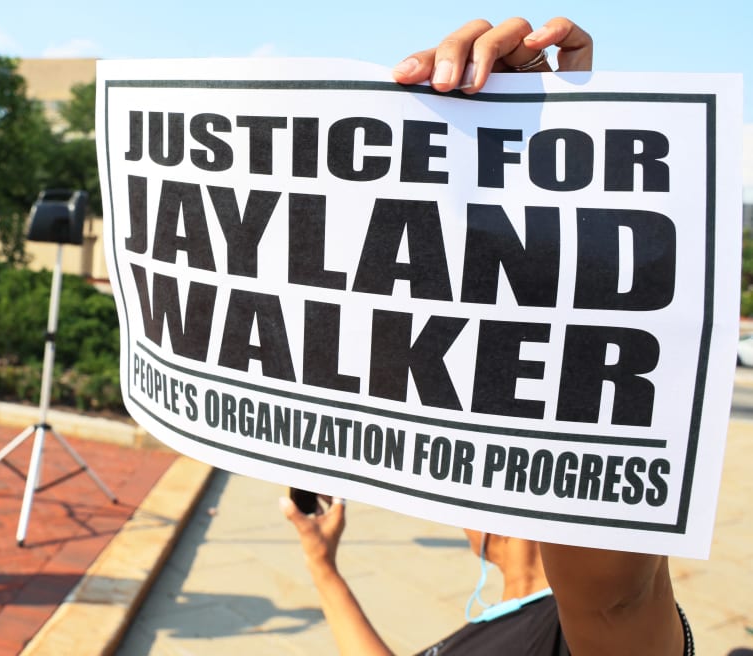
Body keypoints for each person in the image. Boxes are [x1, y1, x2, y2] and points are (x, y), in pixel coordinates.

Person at [281, 17, 693, 656]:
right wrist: (322, 565)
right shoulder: (520, 624)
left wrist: (574, 159)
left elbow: (617, 595)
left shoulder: (581, 631)